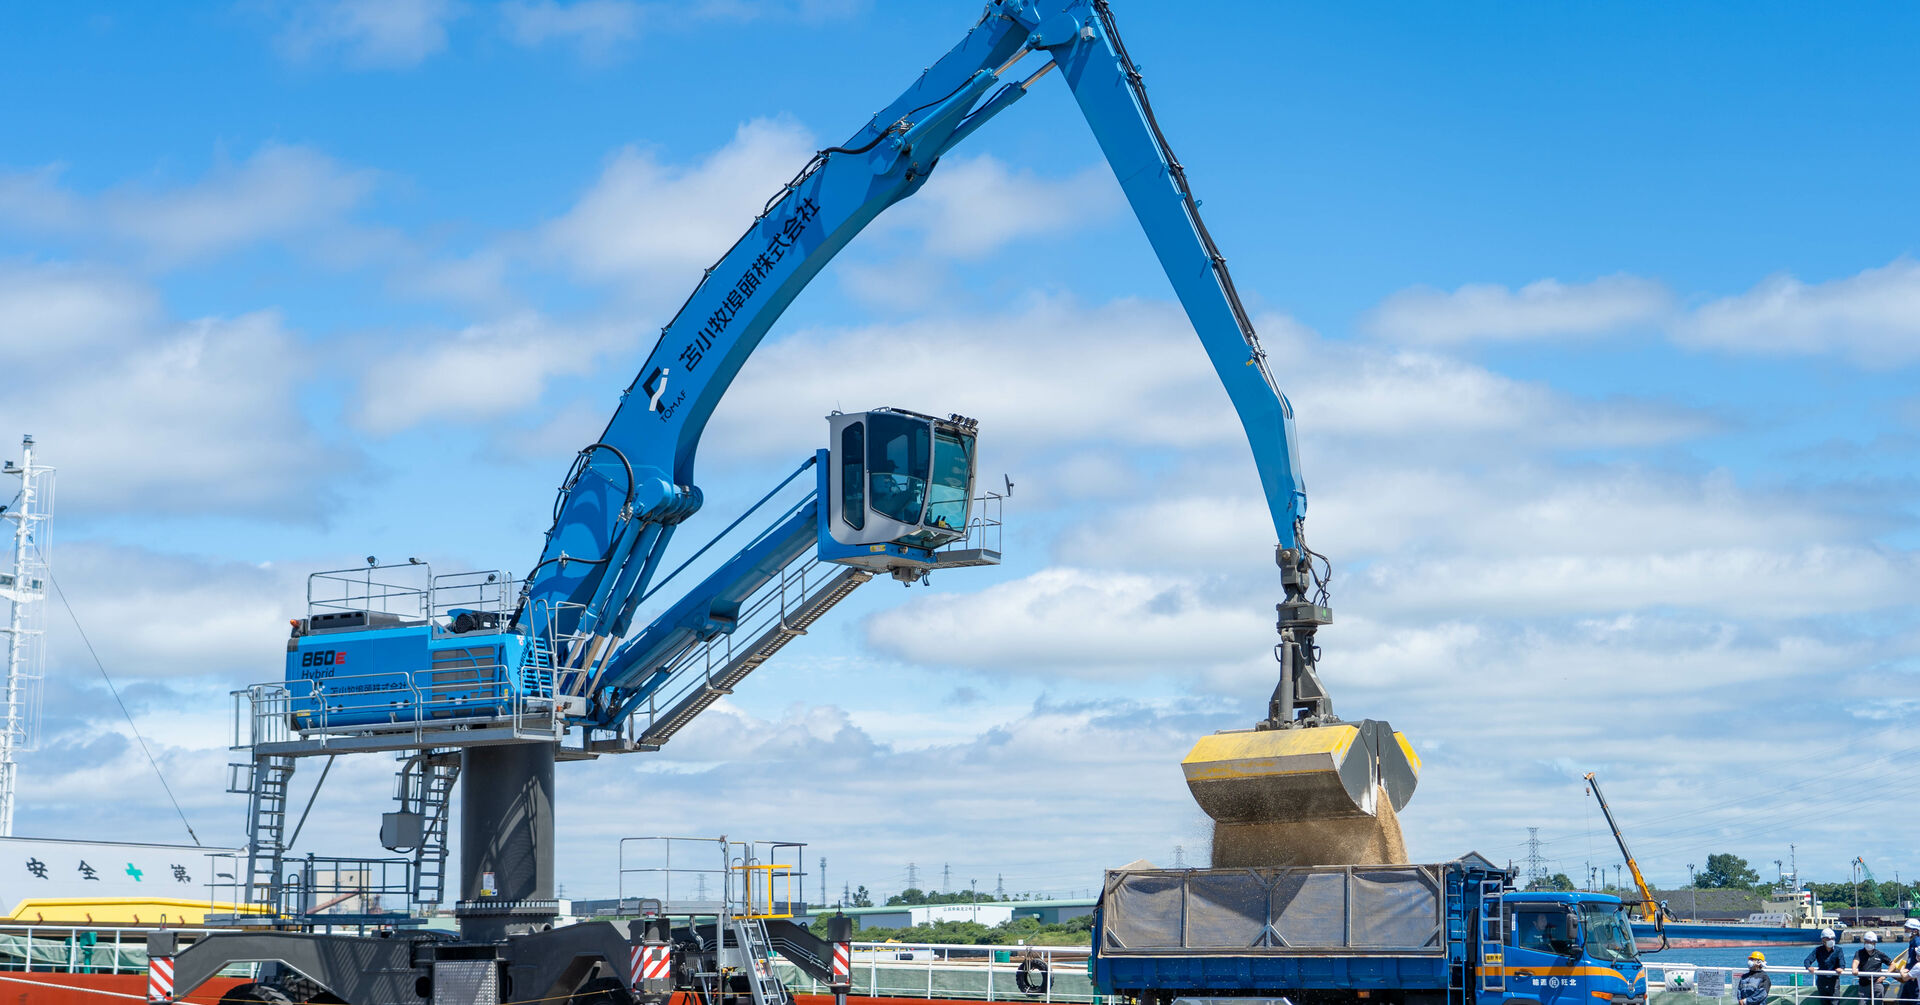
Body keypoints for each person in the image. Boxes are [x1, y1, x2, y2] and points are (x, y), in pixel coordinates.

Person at [1807, 928, 1846, 1005]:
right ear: (1823, 940)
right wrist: (1808, 967)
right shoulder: (1818, 950)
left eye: (1832, 938)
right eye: (1828, 938)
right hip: (1822, 980)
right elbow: (1808, 960)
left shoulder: (1838, 950)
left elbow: (1842, 962)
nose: (1831, 940)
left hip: (1834, 981)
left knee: (1835, 1002)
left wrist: (1841, 968)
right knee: (1824, 1002)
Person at [1856, 931, 1895, 1005]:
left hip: (1877, 983)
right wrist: (1854, 969)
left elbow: (1892, 964)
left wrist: (1884, 976)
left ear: (1875, 943)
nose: (1869, 944)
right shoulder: (1859, 953)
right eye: (1867, 941)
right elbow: (1856, 961)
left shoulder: (1879, 954)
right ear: (1864, 942)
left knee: (1878, 1002)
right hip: (1863, 984)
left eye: (1871, 942)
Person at [1899, 919, 1920, 1004]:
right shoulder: (1912, 942)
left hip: (1914, 979)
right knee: (1903, 1001)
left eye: (1907, 929)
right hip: (1910, 978)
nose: (1905, 931)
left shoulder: (1917, 942)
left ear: (1915, 931)